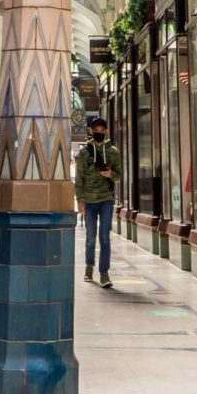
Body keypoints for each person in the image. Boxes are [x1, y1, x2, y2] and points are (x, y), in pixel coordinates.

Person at [74, 112, 119, 287]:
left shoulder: (113, 153)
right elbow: (79, 179)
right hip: (89, 201)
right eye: (96, 130)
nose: (99, 132)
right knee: (91, 237)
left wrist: (110, 174)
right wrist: (80, 200)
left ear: (106, 131)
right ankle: (89, 267)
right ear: (91, 131)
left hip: (106, 199)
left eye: (102, 130)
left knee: (105, 237)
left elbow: (119, 175)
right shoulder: (84, 154)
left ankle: (104, 273)